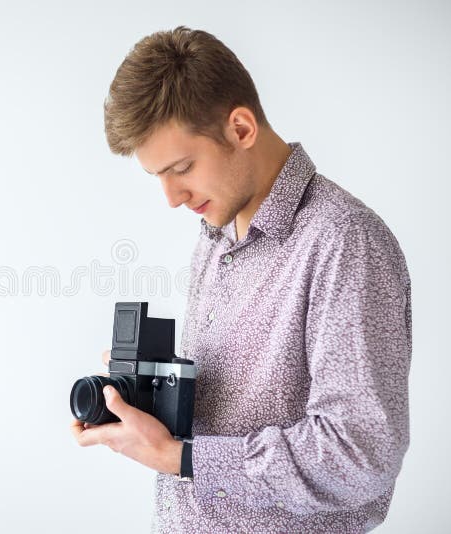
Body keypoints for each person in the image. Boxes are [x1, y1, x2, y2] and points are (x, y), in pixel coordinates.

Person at [70, 26, 412, 533]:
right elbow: (233, 416)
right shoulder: (216, 234)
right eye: (157, 176)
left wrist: (179, 458)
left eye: (182, 167)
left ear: (242, 128)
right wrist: (152, 394)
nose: (171, 198)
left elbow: (358, 454)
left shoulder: (343, 241)